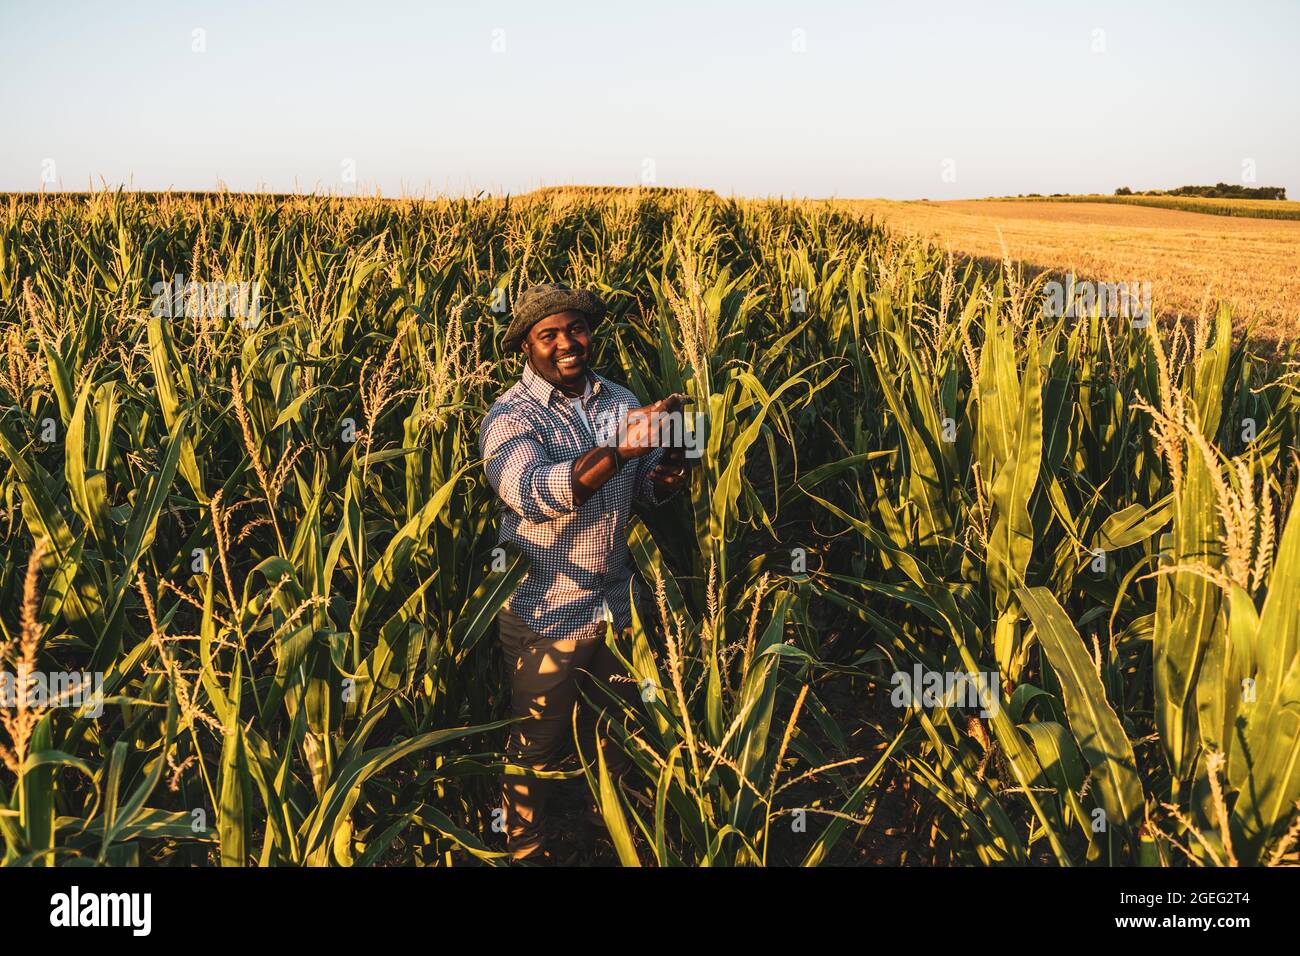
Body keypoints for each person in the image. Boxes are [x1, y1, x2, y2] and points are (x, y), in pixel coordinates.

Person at [479, 282, 688, 862]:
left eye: (577, 329)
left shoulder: (620, 399)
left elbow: (651, 492)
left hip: (616, 606)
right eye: (549, 335)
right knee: (534, 748)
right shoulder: (510, 418)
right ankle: (526, 847)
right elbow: (534, 492)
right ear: (526, 346)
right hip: (547, 614)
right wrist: (621, 449)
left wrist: (673, 450)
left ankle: (614, 828)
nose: (567, 343)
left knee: (616, 734)